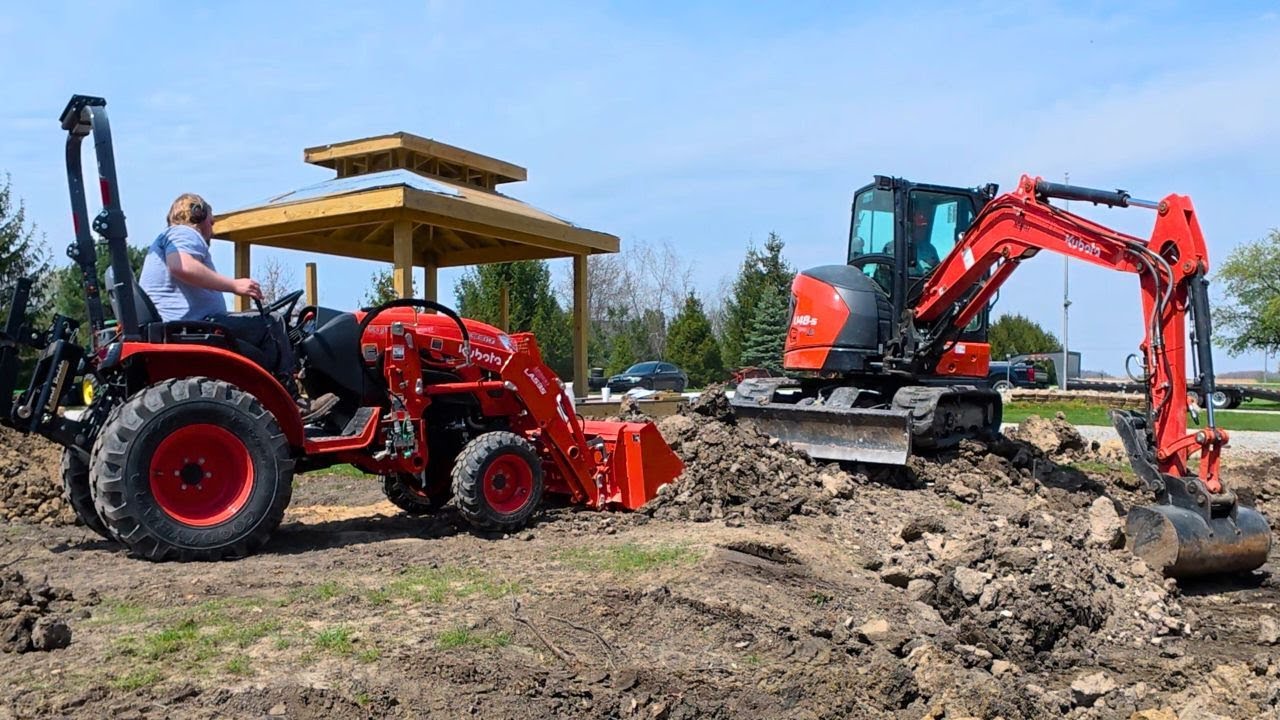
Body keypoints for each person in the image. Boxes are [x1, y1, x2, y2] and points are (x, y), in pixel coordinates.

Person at [139, 193, 336, 422]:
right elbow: (181, 266)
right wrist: (234, 285)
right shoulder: (184, 233)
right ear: (197, 215)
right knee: (273, 322)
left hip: (184, 327)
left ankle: (266, 403)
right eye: (211, 221)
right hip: (195, 328)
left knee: (257, 321)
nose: (212, 228)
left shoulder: (166, 239)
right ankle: (293, 403)